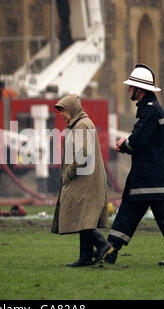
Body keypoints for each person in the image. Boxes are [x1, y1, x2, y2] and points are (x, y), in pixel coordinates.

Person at [105, 64, 164, 266]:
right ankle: (110, 250)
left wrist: (124, 144)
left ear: (140, 90)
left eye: (131, 87)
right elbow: (142, 137)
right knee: (127, 211)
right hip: (145, 175)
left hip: (154, 177)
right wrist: (128, 142)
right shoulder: (148, 109)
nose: (128, 90)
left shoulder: (151, 110)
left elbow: (140, 140)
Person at [51, 94, 114, 267]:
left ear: (72, 109)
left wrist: (69, 172)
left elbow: (83, 154)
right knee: (84, 217)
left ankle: (103, 245)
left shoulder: (80, 126)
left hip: (85, 179)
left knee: (83, 217)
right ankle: (85, 257)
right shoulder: (81, 123)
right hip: (88, 179)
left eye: (63, 110)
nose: (61, 114)